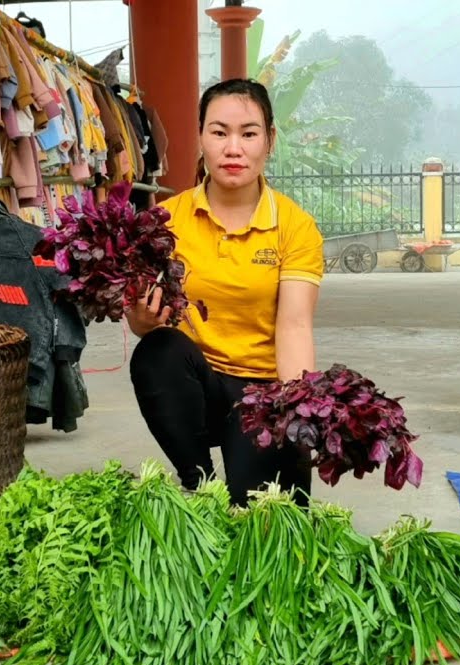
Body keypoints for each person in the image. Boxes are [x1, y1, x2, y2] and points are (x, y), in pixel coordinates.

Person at [124, 78, 324, 506]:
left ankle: (244, 481)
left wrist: (296, 410)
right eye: (219, 132)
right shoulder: (164, 220)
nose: (233, 148)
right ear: (201, 137)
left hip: (261, 393)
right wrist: (142, 317)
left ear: (269, 140)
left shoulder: (295, 226)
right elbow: (143, 325)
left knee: (265, 519)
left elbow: (294, 326)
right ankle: (200, 486)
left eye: (248, 133)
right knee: (157, 352)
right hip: (199, 385)